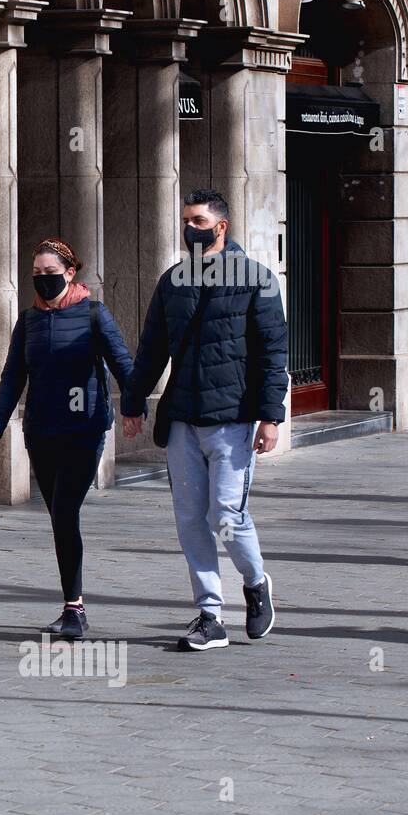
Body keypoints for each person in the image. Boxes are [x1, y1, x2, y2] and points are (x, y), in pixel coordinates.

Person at [121, 188, 287, 651]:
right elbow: (152, 346)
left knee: (226, 514)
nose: (190, 229)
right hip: (182, 420)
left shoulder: (257, 280)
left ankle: (254, 583)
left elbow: (273, 354)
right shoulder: (173, 281)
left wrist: (271, 417)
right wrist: (133, 402)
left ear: (221, 227)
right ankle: (210, 614)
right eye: (186, 221)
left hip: (233, 420)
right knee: (190, 518)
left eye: (198, 221)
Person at [0, 237, 137, 639]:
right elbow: (13, 375)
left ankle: (74, 608)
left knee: (65, 511)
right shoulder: (29, 321)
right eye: (36, 275)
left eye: (50, 274)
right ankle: (72, 605)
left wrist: (134, 408)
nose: (43, 281)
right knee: (59, 519)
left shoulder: (94, 315)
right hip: (41, 432)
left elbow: (122, 363)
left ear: (70, 273)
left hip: (83, 431)